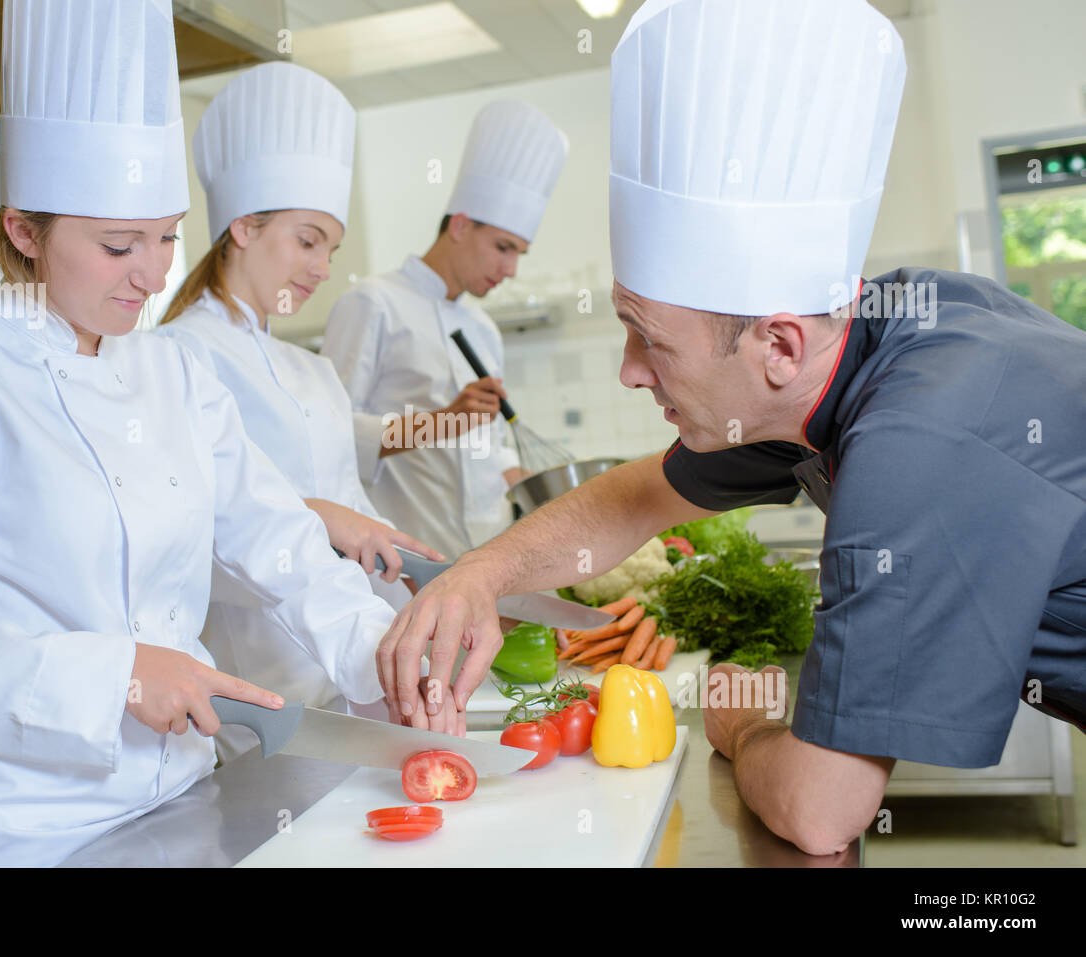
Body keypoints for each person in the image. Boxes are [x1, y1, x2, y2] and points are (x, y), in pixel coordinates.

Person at [373, 0, 1086, 851]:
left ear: (776, 345)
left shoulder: (916, 446)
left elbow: (822, 813)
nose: (630, 370)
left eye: (651, 338)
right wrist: (477, 576)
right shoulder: (847, 360)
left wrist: (742, 726)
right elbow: (636, 499)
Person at [0, 0, 428, 868]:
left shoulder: (174, 376)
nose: (152, 275)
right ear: (23, 231)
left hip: (181, 801)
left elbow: (278, 540)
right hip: (18, 834)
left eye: (165, 238)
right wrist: (114, 674)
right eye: (119, 246)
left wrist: (382, 655)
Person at [154, 62, 448, 756]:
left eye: (332, 248)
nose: (322, 268)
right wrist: (319, 516)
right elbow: (188, 536)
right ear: (243, 227)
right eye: (308, 240)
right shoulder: (175, 360)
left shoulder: (312, 371)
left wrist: (408, 605)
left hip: (348, 686)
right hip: (253, 713)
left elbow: (354, 526)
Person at [320, 100, 568, 560]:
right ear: (459, 225)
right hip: (407, 563)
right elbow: (330, 434)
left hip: (486, 555)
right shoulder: (373, 303)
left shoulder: (484, 328)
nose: (509, 269)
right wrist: (442, 421)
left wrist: (537, 493)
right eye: (502, 247)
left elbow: (490, 445)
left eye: (519, 254)